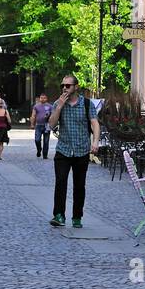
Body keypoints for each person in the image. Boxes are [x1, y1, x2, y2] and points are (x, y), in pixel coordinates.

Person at [49, 74, 100, 230]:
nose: (64, 88)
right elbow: (51, 124)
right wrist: (59, 107)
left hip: (81, 150)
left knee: (79, 186)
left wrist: (95, 141)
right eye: (63, 85)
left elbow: (95, 123)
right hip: (63, 150)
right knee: (60, 182)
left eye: (68, 85)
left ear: (76, 87)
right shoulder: (58, 103)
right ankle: (59, 215)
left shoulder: (86, 104)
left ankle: (77, 217)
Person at [31, 93, 54, 159]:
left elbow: (53, 115)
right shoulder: (36, 106)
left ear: (46, 99)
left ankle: (45, 155)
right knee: (37, 140)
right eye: (41, 98)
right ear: (39, 98)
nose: (42, 99)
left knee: (46, 141)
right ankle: (39, 149)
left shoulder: (50, 106)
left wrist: (51, 121)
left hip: (47, 125)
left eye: (44, 98)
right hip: (38, 125)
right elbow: (33, 115)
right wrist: (32, 124)